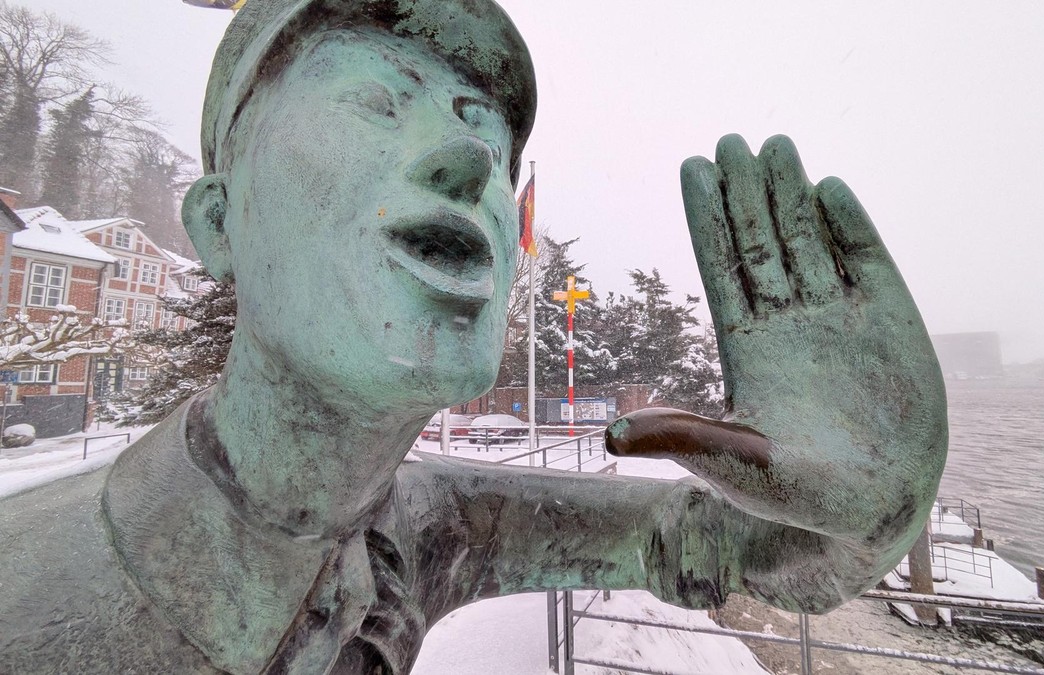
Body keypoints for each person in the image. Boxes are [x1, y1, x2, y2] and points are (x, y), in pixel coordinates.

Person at [0, 1, 948, 673]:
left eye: (486, 134)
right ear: (218, 224)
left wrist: (867, 508)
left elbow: (719, 545)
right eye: (376, 102)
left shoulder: (424, 524)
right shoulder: (27, 596)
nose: (468, 159)